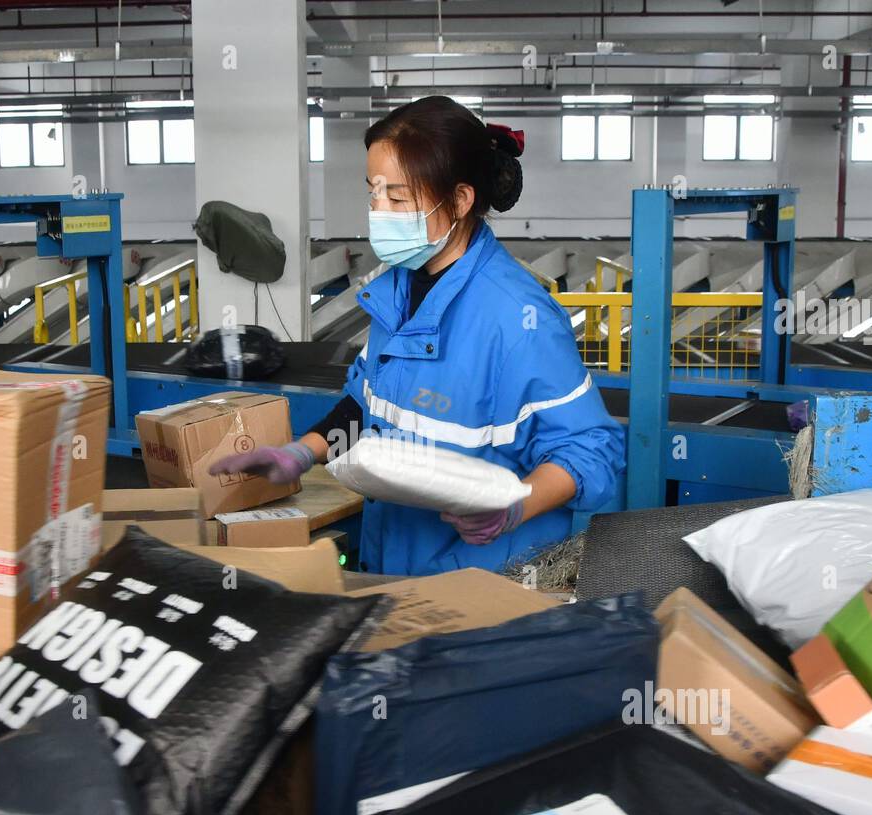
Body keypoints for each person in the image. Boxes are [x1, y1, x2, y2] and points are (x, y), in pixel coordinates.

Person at [210, 95, 625, 577]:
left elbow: (591, 449)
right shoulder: (396, 292)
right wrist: (304, 452)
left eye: (398, 198)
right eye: (373, 193)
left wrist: (516, 507)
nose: (379, 211)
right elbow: (366, 406)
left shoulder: (516, 318)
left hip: (481, 579)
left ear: (460, 200)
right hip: (395, 562)